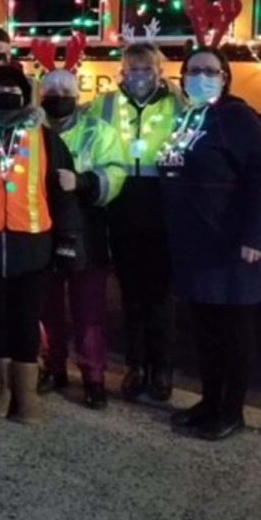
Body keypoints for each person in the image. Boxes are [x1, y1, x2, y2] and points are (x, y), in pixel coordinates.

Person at [0, 65, 82, 424]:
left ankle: (27, 395)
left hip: (33, 248)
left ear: (26, 94)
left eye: (13, 87)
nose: (5, 93)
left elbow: (63, 192)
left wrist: (68, 240)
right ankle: (4, 388)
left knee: (25, 320)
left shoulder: (46, 138)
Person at [158, 46, 261, 441]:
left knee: (234, 331)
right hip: (195, 245)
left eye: (210, 70)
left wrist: (253, 236)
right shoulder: (189, 117)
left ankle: (232, 410)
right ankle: (209, 401)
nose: (201, 76)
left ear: (225, 76)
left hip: (230, 244)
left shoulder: (238, 117)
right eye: (193, 70)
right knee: (205, 330)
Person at [36, 37, 126, 409]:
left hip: (87, 231)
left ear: (78, 92)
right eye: (51, 90)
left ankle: (93, 377)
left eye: (65, 90)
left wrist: (85, 182)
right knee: (48, 307)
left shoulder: (97, 131)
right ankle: (53, 367)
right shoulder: (31, 132)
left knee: (89, 311)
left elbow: (116, 172)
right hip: (41, 231)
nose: (58, 95)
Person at [98, 42, 181, 402]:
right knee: (130, 295)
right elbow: (76, 129)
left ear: (159, 71)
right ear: (123, 71)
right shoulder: (106, 103)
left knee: (160, 296)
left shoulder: (177, 103)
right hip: (121, 206)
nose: (139, 75)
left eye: (146, 68)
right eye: (132, 68)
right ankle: (136, 366)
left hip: (161, 207)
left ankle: (162, 370)